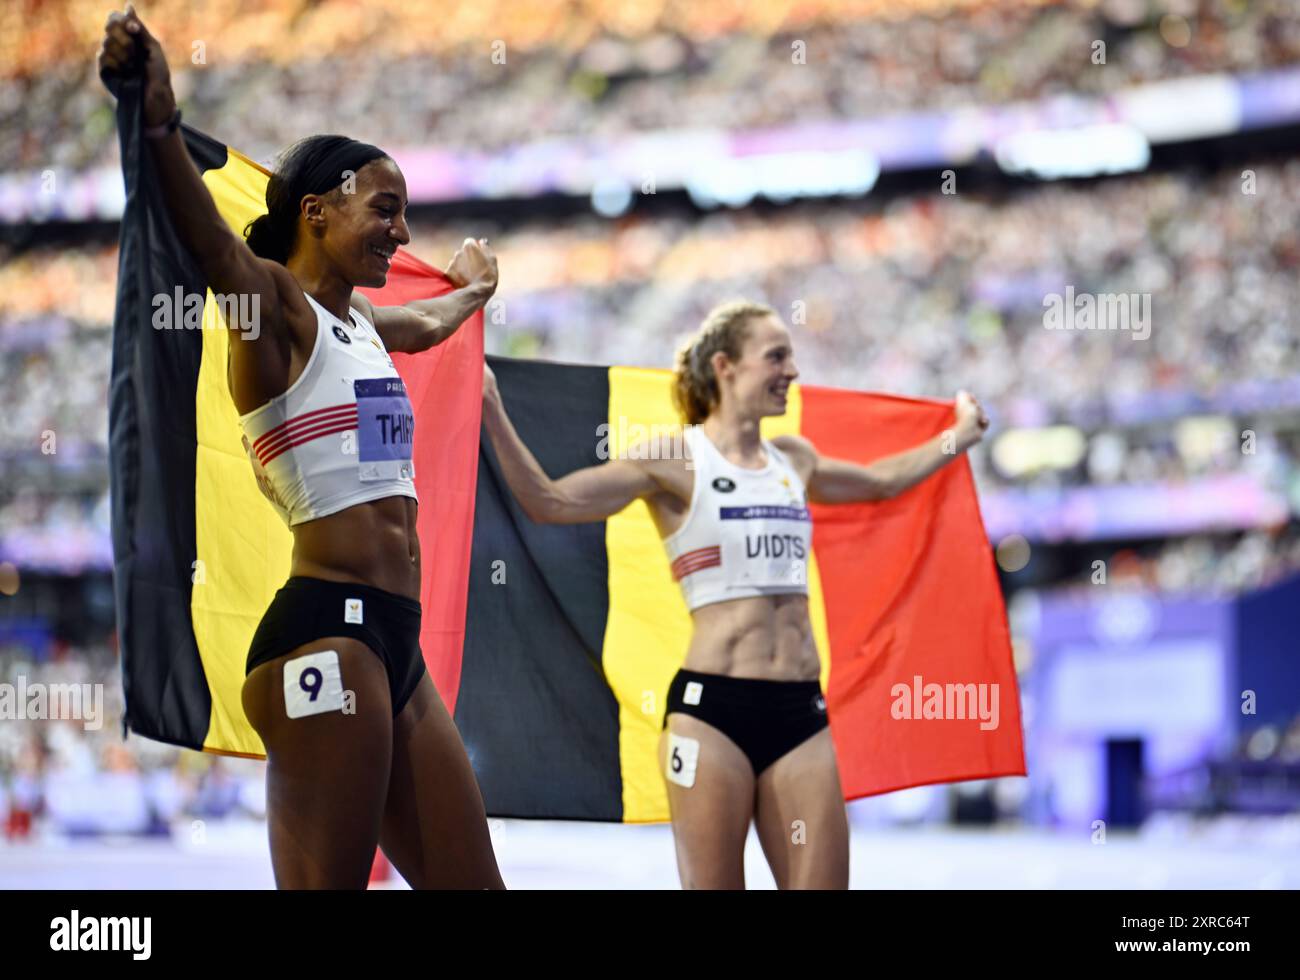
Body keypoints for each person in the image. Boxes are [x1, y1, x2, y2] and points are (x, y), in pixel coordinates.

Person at [98, 5, 504, 889]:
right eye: (386, 211)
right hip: (325, 635)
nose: (402, 235)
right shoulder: (273, 310)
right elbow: (209, 243)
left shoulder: (357, 323)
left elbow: (427, 322)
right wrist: (157, 119)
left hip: (396, 645)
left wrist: (470, 296)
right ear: (316, 211)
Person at [480, 299, 989, 888]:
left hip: (801, 712)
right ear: (726, 366)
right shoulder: (674, 459)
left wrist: (959, 436)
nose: (792, 371)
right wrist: (491, 404)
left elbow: (879, 483)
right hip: (710, 714)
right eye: (776, 356)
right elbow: (551, 502)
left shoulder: (793, 459)